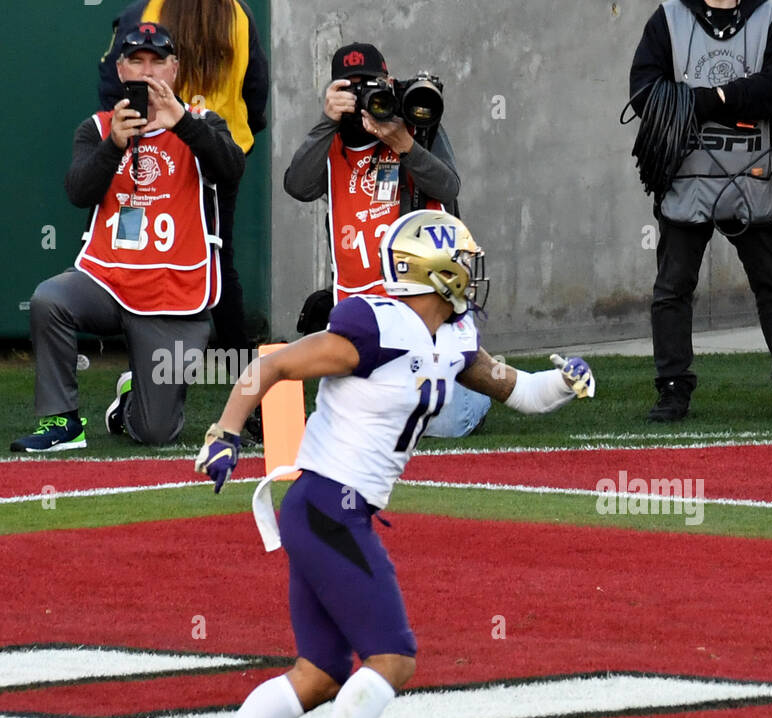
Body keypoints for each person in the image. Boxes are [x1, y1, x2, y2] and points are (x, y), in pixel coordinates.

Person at [149, 209, 596, 718]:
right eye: (464, 263)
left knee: (321, 671)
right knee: (393, 656)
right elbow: (273, 366)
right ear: (434, 269)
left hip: (330, 509)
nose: (473, 275)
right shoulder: (374, 325)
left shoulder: (451, 337)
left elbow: (520, 392)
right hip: (332, 505)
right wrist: (225, 431)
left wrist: (564, 383)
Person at [10, 22, 243, 453]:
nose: (147, 71)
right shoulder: (97, 128)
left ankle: (129, 399)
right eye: (136, 60)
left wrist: (183, 125)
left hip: (174, 291)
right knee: (50, 299)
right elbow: (79, 192)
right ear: (120, 69)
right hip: (107, 280)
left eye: (157, 61)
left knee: (156, 434)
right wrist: (115, 144)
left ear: (175, 69)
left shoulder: (204, 122)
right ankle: (62, 422)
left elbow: (230, 171)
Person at [629, 0, 772, 421]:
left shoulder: (770, 18)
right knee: (672, 289)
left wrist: (707, 98)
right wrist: (737, 97)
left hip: (752, 178)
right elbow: (645, 93)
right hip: (685, 180)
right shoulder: (668, 18)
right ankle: (672, 389)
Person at [284, 42, 489, 439]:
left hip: (418, 302)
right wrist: (326, 121)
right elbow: (297, 186)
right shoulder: (331, 139)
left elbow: (448, 186)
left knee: (442, 425)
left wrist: (404, 144)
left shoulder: (415, 120)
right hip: (360, 305)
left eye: (371, 86)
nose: (363, 97)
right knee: (352, 420)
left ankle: (470, 395)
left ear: (388, 81)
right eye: (351, 87)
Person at [100, 0, 269, 353]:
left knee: (140, 249)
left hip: (155, 145)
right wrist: (234, 138)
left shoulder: (143, 12)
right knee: (218, 256)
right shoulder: (240, 11)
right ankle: (244, 375)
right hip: (218, 148)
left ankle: (144, 359)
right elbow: (257, 89)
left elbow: (110, 85)